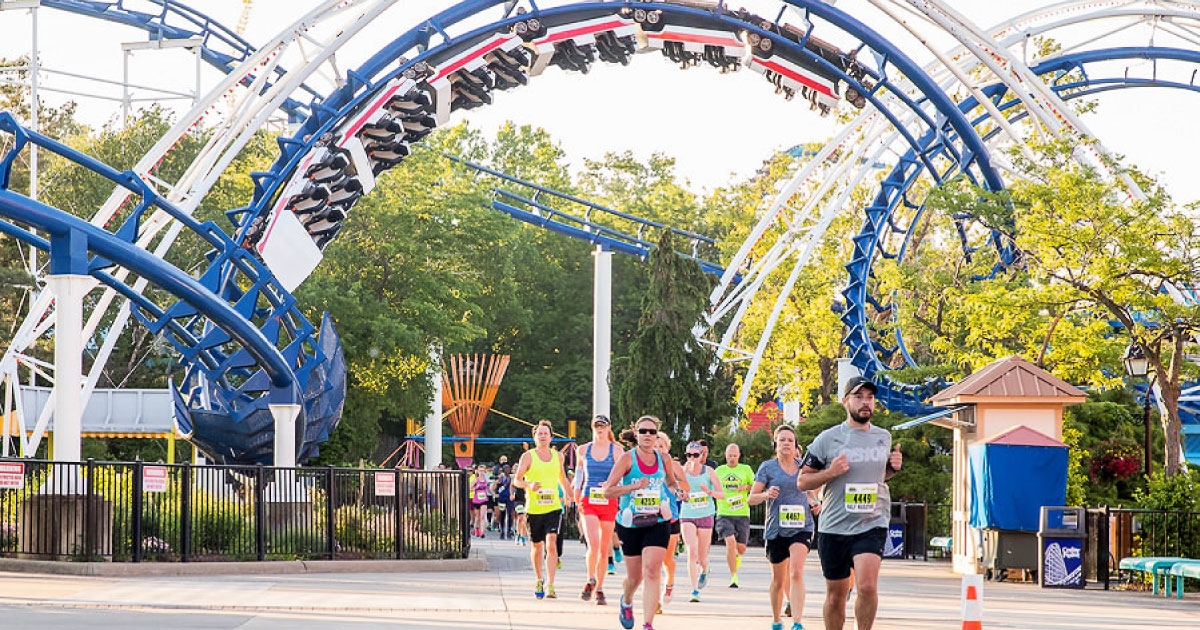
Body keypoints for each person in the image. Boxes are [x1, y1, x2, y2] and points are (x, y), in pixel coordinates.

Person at [798, 376, 903, 630]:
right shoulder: (828, 438)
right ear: (846, 401)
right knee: (836, 596)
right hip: (834, 526)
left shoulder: (884, 437)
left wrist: (892, 469)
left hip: (872, 522)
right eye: (859, 397)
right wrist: (831, 472)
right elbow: (802, 481)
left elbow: (878, 476)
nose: (865, 403)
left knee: (867, 586)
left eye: (870, 398)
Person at [604, 415, 680, 630]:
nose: (648, 435)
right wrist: (633, 487)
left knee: (652, 570)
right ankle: (626, 600)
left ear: (657, 436)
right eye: (643, 431)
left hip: (657, 519)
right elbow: (608, 491)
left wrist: (679, 493)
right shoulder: (627, 459)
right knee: (635, 577)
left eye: (652, 432)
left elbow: (671, 483)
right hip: (630, 523)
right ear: (636, 434)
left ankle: (648, 623)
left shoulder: (664, 459)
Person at [751, 424, 816, 630]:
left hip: (802, 526)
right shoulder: (767, 468)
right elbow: (751, 498)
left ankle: (797, 621)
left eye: (790, 440)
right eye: (782, 440)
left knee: (796, 572)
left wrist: (815, 503)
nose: (786, 443)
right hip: (776, 529)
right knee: (779, 580)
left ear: (795, 445)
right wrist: (766, 495)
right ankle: (777, 620)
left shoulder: (803, 466)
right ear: (776, 445)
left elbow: (811, 491)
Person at [514, 420, 575, 599]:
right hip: (534, 507)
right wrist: (529, 484)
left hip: (553, 507)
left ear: (551, 437)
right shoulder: (528, 456)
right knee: (537, 546)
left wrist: (570, 495)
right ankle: (539, 578)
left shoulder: (558, 457)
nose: (542, 436)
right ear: (534, 437)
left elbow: (562, 478)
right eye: (539, 433)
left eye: (545, 433)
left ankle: (550, 584)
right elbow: (516, 480)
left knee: (551, 543)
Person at [576, 414, 624, 605]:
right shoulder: (583, 450)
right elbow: (579, 472)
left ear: (609, 428)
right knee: (593, 545)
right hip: (589, 499)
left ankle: (600, 588)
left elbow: (622, 475)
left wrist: (611, 483)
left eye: (603, 426)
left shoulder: (617, 451)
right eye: (597, 426)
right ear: (592, 427)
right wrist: (575, 491)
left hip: (608, 500)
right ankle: (590, 579)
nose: (600, 429)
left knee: (604, 549)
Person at [679, 440, 723, 603]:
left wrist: (709, 491)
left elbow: (722, 494)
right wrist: (682, 495)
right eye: (689, 455)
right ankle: (694, 589)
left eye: (695, 455)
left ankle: (705, 568)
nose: (692, 458)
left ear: (701, 456)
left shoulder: (709, 471)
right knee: (692, 551)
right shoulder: (683, 471)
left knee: (702, 556)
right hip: (688, 514)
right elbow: (678, 491)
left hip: (705, 514)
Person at [654, 430, 688, 610]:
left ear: (667, 448)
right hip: (651, 516)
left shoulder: (673, 465)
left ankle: (669, 585)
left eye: (662, 446)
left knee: (666, 559)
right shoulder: (646, 464)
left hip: (671, 517)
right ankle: (655, 599)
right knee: (653, 561)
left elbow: (686, 486)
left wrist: (678, 487)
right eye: (655, 446)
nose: (658, 449)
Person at [715, 442, 755, 588]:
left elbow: (756, 486)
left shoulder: (746, 469)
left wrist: (747, 487)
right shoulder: (719, 471)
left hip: (742, 512)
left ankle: (736, 557)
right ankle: (733, 576)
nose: (732, 458)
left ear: (739, 456)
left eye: (734, 456)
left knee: (741, 548)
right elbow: (712, 487)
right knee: (730, 542)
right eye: (729, 456)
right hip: (724, 512)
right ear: (725, 455)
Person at [470, 464, 490, 537]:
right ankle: (476, 529)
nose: (481, 472)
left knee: (482, 516)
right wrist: (476, 488)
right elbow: (469, 489)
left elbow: (488, 489)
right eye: (480, 471)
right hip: (476, 500)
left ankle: (482, 532)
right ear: (477, 471)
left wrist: (494, 494)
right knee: (477, 517)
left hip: (484, 499)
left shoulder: (486, 480)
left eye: (483, 471)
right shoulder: (476, 480)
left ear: (485, 471)